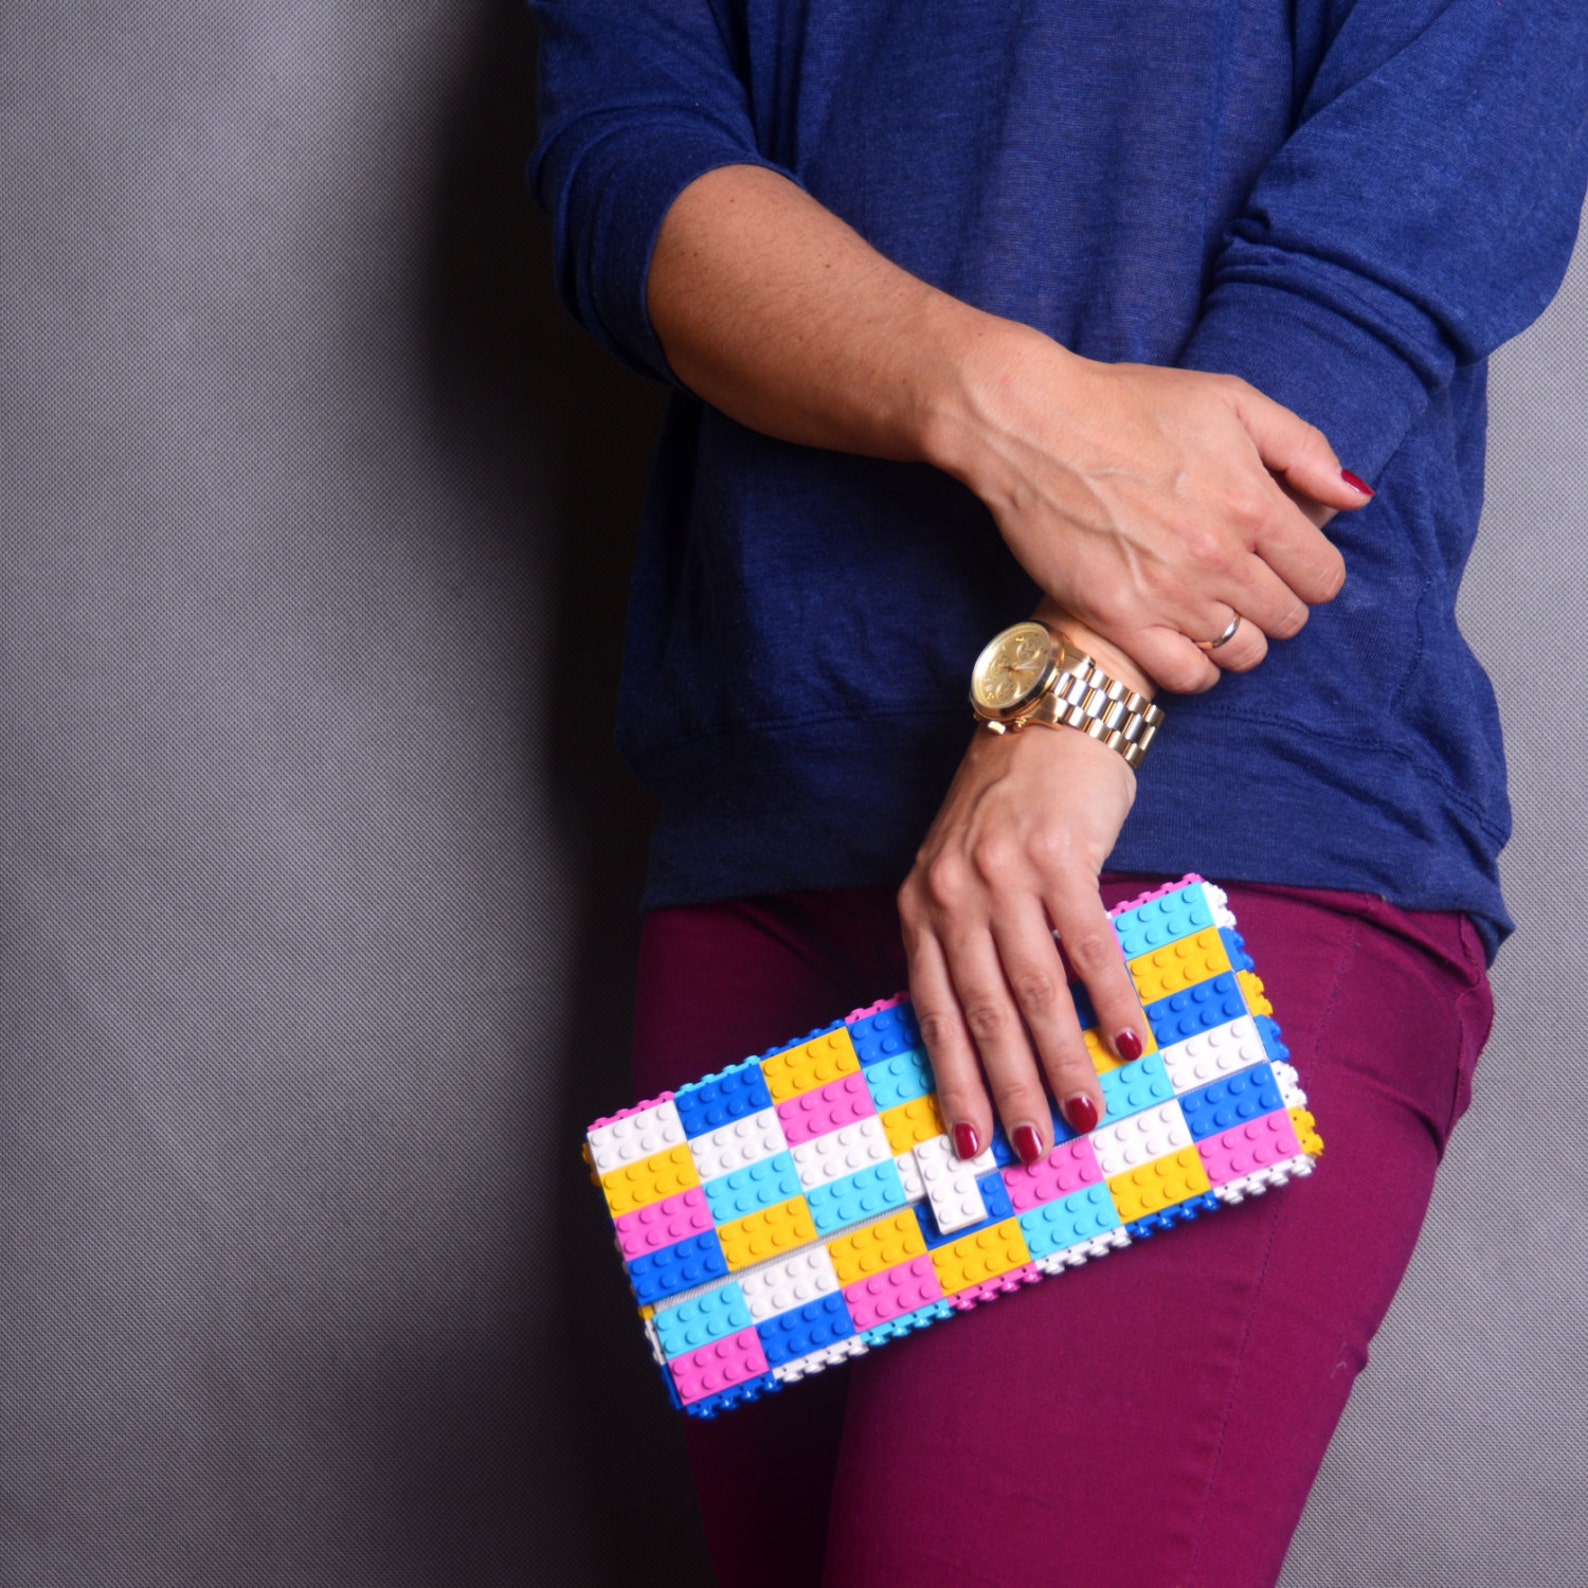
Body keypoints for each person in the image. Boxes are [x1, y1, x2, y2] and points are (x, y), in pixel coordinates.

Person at [528, 3, 1588, 1583]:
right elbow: (622, 162)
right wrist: (1011, 415)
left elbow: (1421, 182)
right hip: (769, 852)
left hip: (1201, 859)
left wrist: (1082, 690)